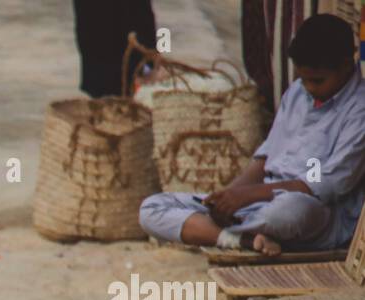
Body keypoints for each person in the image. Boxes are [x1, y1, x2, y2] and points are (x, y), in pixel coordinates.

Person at [139, 14, 365, 255]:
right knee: (151, 208)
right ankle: (242, 240)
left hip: (314, 214)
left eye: (317, 81)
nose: (309, 87)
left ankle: (241, 233)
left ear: (345, 64)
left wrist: (247, 196)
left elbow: (326, 186)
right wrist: (227, 198)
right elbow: (266, 157)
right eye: (303, 79)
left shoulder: (359, 109)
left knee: (290, 210)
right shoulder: (298, 93)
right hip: (258, 205)